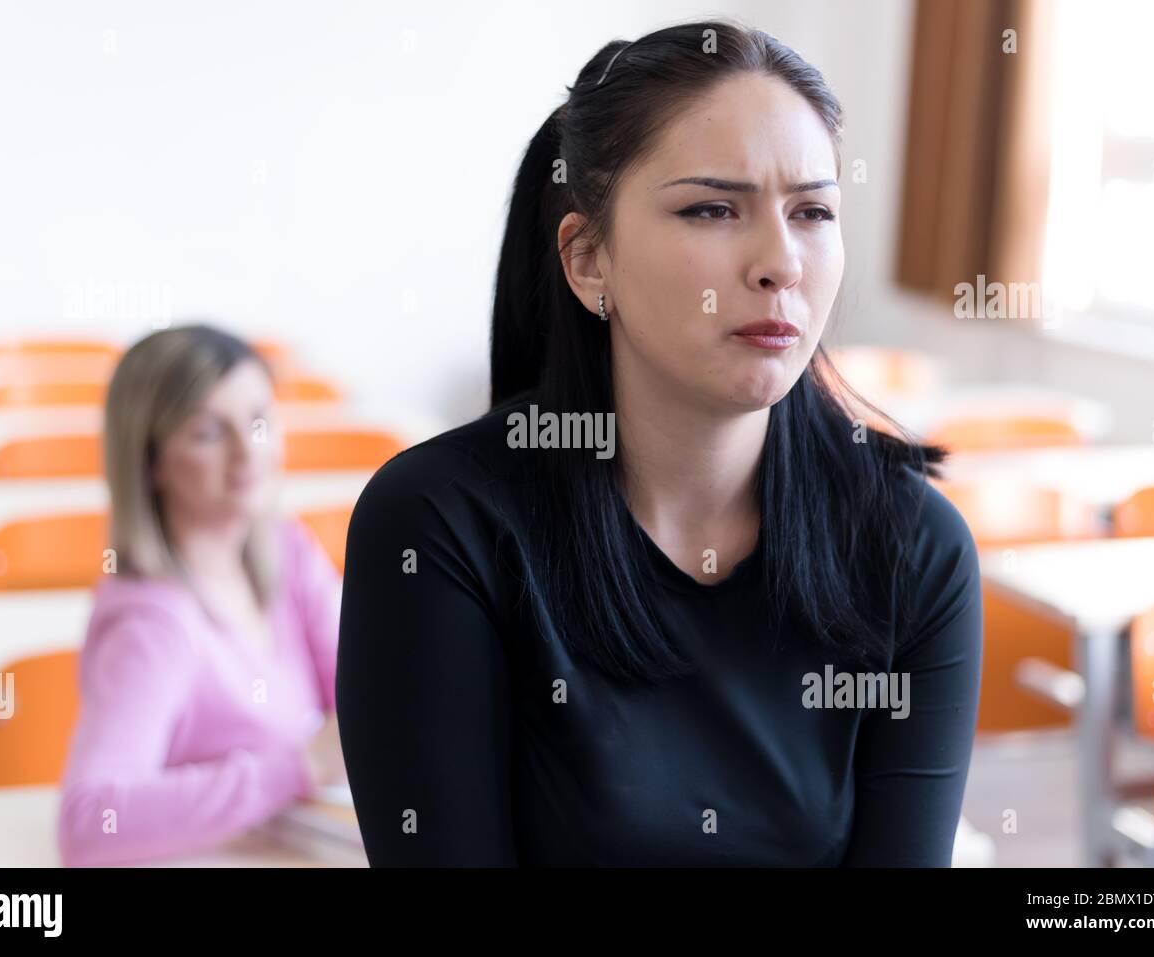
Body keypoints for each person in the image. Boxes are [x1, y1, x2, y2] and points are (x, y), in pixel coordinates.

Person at [337, 19, 982, 866]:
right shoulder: (438, 526)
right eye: (712, 208)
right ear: (588, 259)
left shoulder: (912, 545)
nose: (779, 262)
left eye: (812, 211)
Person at [58, 324, 346, 867]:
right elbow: (88, 822)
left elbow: (356, 691)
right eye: (209, 432)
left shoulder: (287, 551)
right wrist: (300, 766)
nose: (248, 453)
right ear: (150, 462)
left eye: (259, 422)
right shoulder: (150, 627)